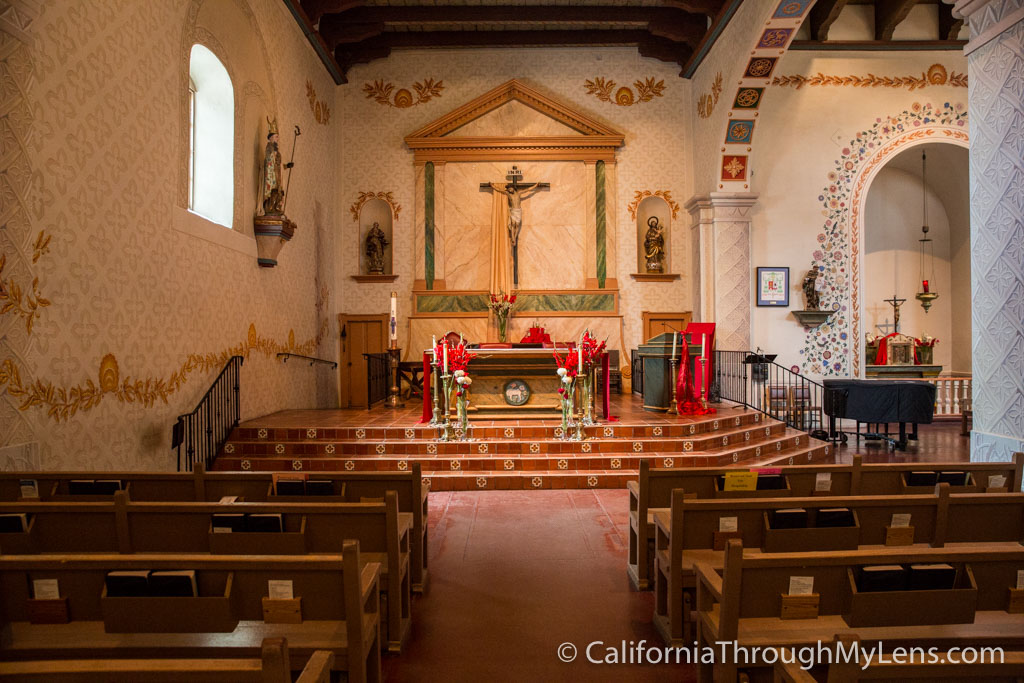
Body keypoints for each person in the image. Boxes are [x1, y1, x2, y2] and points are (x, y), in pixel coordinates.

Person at [262, 118, 293, 215]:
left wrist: (286, 166)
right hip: (271, 175)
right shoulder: (269, 147)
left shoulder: (277, 151)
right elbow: (269, 160)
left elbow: (279, 164)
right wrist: (273, 153)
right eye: (276, 137)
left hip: (277, 174)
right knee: (272, 192)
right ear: (270, 138)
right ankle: (269, 208)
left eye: (278, 137)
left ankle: (275, 207)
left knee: (278, 192)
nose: (277, 139)